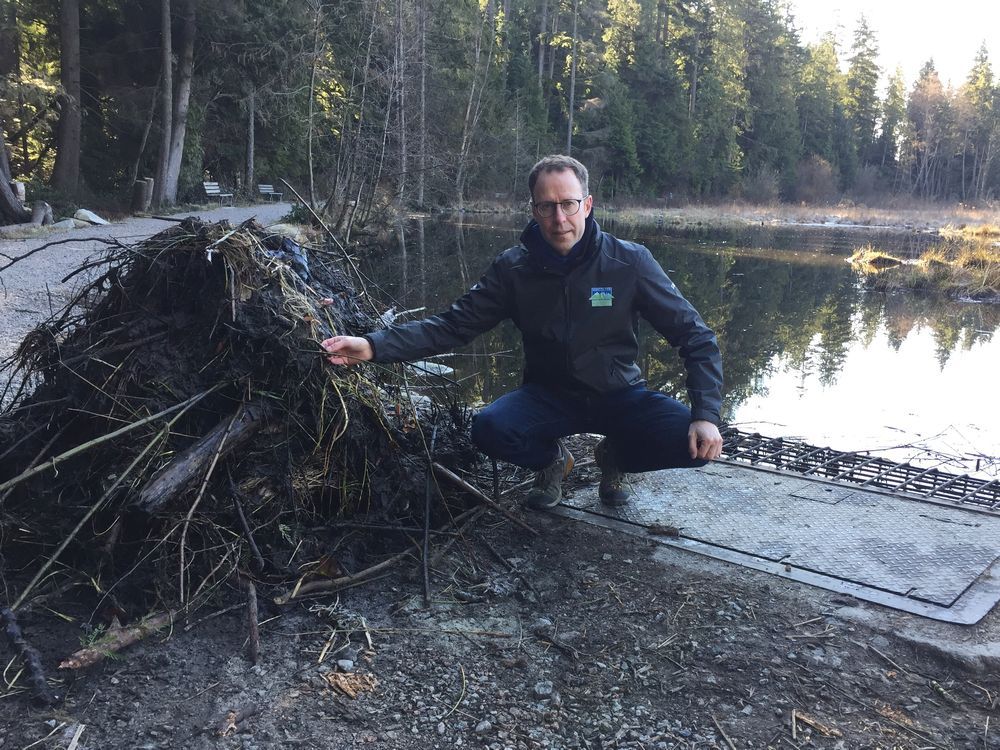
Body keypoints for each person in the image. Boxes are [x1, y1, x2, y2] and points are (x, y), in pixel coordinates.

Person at [322, 154, 723, 510]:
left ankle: (616, 456)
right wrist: (373, 345)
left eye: (568, 204)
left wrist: (705, 414)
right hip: (548, 396)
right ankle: (551, 462)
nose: (559, 219)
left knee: (697, 444)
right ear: (533, 210)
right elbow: (452, 326)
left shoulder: (629, 262)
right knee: (490, 429)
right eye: (547, 207)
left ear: (587, 204)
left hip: (620, 394)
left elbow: (695, 336)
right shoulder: (513, 269)